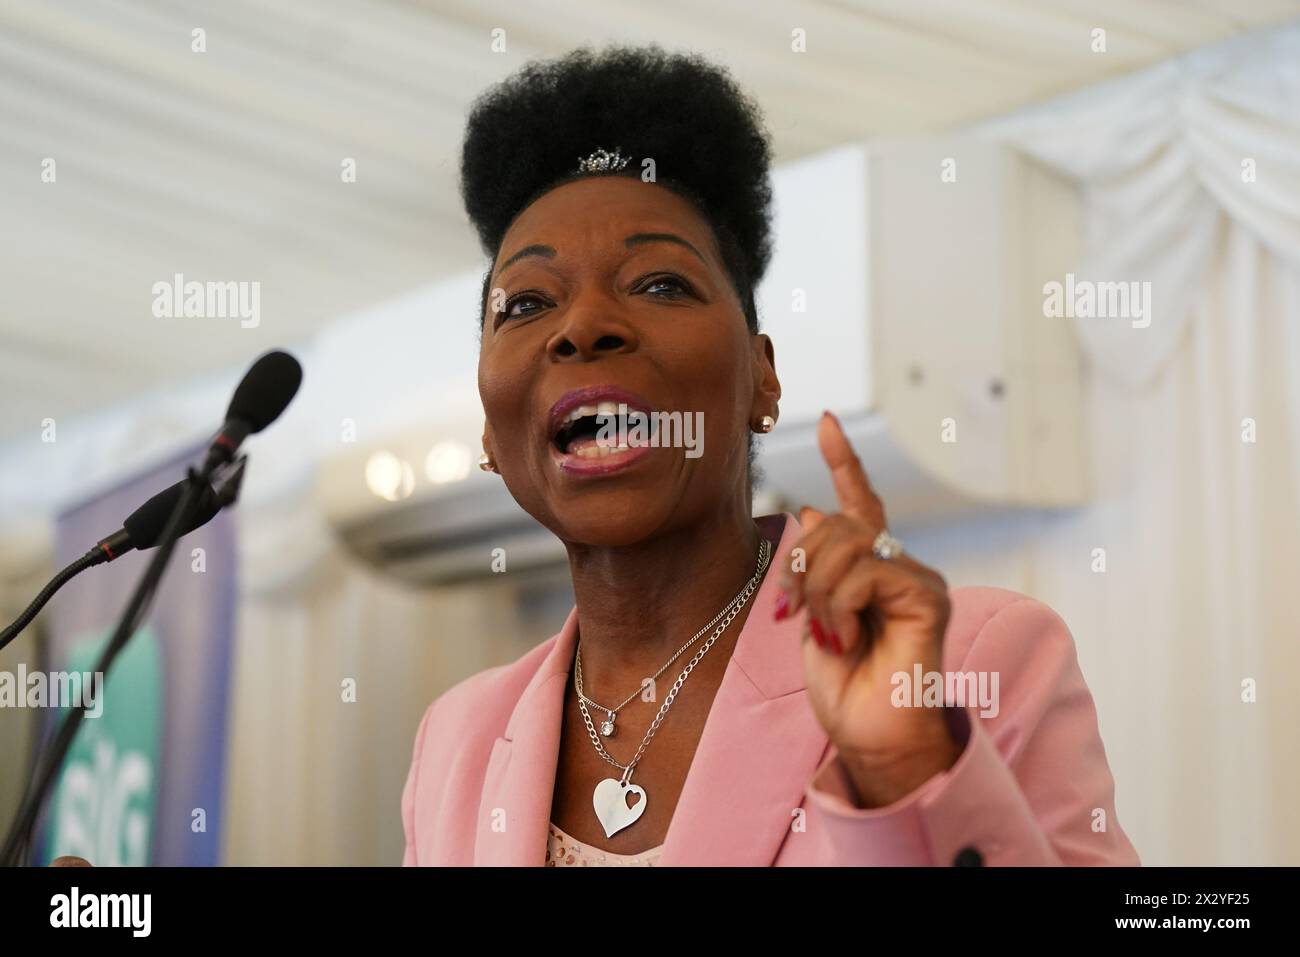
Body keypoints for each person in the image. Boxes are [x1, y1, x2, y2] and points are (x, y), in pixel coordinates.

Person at [401, 45, 1138, 867]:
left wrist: (905, 768)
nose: (583, 327)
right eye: (528, 303)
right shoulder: (456, 738)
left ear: (762, 377)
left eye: (658, 284)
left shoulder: (969, 661)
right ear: (491, 436)